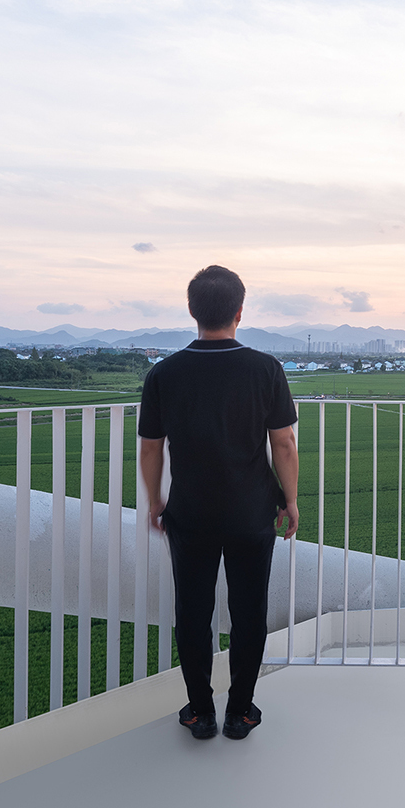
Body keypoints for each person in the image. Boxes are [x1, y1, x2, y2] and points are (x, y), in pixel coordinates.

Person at [138, 265, 300, 740]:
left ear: (192, 310)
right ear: (239, 311)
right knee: (250, 612)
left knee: (193, 613)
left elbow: (151, 447)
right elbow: (283, 444)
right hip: (252, 511)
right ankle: (240, 712)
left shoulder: (164, 373)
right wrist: (289, 500)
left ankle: (200, 712)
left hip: (190, 512)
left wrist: (156, 502)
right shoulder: (265, 368)